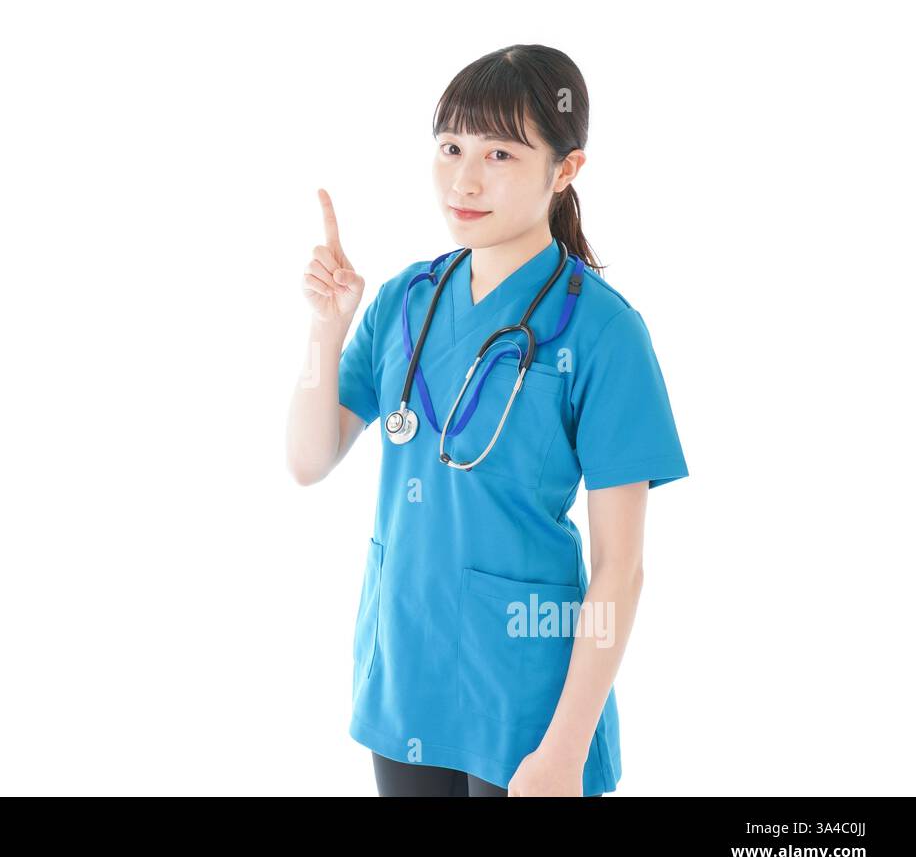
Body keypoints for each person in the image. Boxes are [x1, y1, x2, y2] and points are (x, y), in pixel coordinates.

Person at [285, 44, 688, 797]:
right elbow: (310, 460)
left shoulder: (601, 332)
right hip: (406, 671)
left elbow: (620, 569)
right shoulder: (405, 300)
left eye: (500, 152)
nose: (464, 180)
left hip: (530, 698)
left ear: (565, 170)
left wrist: (565, 751)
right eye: (451, 147)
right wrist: (326, 327)